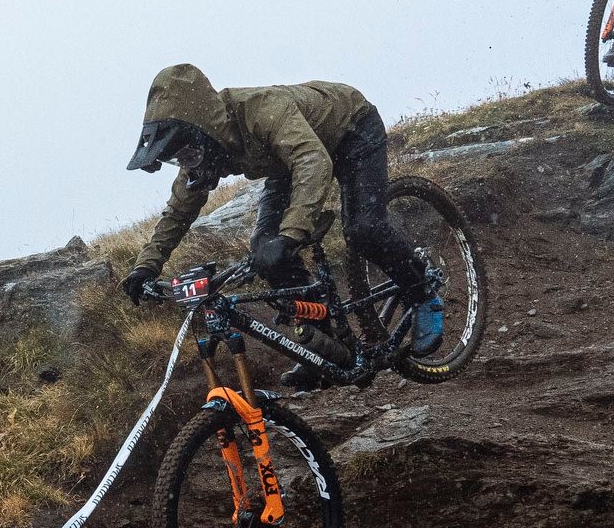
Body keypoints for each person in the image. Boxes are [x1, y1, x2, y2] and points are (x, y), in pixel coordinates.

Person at [118, 63, 443, 389]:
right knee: (265, 252)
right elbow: (177, 212)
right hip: (287, 161)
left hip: (350, 129)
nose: (188, 164)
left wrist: (291, 235)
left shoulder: (263, 110)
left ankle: (423, 292)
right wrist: (144, 268)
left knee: (363, 229)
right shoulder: (201, 151)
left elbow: (312, 160)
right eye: (179, 160)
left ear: (206, 132)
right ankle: (325, 349)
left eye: (188, 154)